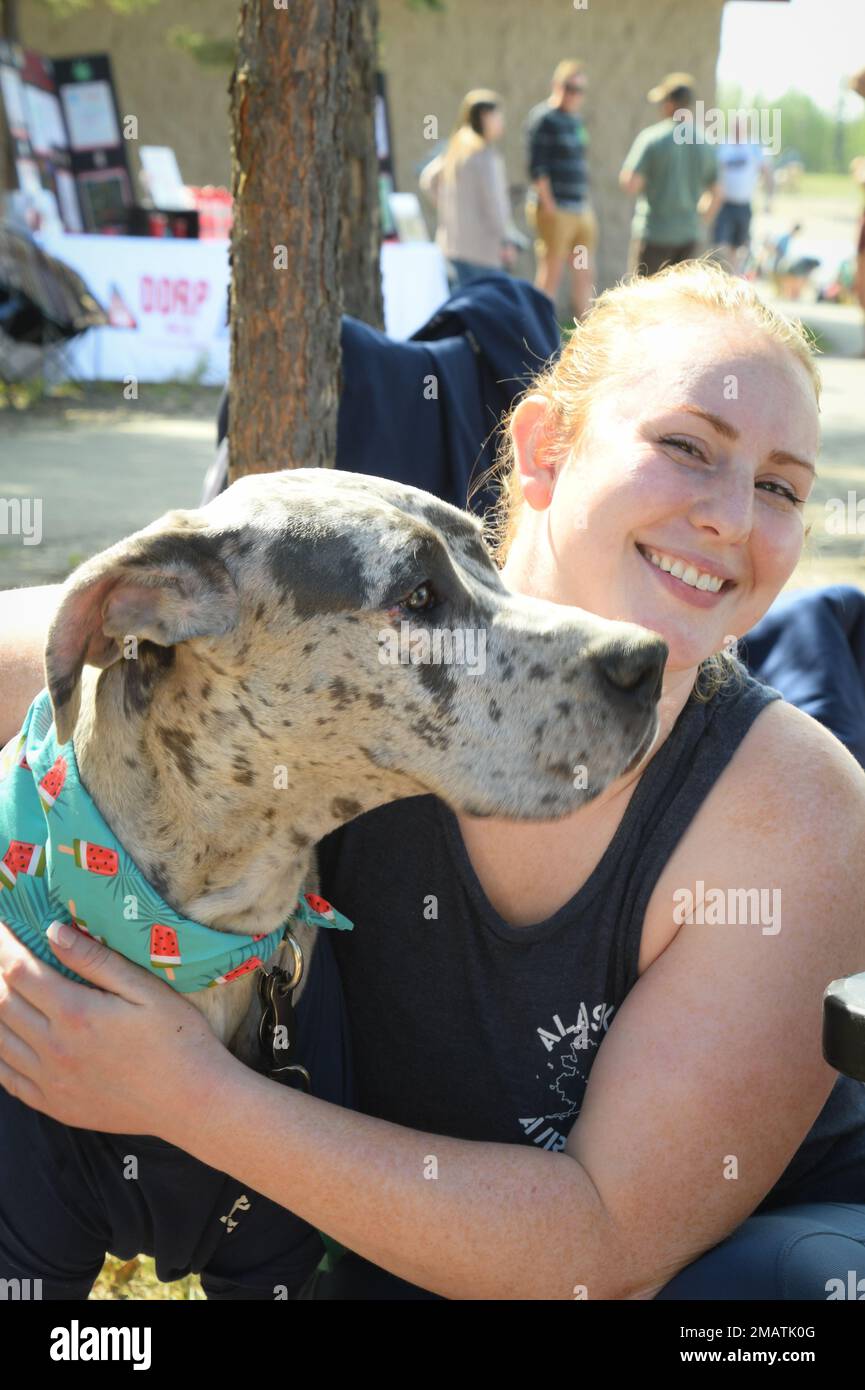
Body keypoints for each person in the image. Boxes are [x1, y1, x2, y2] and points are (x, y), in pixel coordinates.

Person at [1, 262, 865, 1302]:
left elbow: (604, 1247)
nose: (731, 514)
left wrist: (184, 1092)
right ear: (544, 448)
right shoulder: (327, 645)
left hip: (696, 1264)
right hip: (392, 1242)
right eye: (686, 446)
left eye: (780, 486)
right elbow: (68, 636)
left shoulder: (800, 814)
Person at [418, 89, 523, 290]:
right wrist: (507, 240)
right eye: (497, 116)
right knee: (486, 312)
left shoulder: (456, 149)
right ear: (484, 117)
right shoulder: (484, 156)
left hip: (452, 246)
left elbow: (428, 180)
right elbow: (495, 206)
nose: (502, 123)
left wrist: (452, 211)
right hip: (482, 251)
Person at [619, 72, 720, 277]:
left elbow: (630, 183)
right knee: (678, 301)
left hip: (654, 234)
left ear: (670, 104)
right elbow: (717, 193)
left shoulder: (652, 138)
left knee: (643, 299)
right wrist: (698, 219)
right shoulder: (705, 142)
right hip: (689, 236)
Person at [524, 59, 597, 320]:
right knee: (551, 273)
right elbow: (537, 168)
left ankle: (586, 335)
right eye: (569, 88)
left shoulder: (575, 121)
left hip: (579, 207)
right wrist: (549, 204)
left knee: (584, 272)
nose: (574, 95)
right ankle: (536, 334)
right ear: (557, 85)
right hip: (556, 210)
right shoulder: (544, 118)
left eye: (579, 90)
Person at [711, 116, 767, 274]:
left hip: (744, 203)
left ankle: (734, 273)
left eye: (740, 127)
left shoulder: (753, 147)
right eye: (734, 127)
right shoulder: (723, 146)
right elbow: (715, 173)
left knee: (740, 243)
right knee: (720, 241)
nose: (737, 130)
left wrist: (765, 194)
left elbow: (765, 170)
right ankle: (727, 270)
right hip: (725, 202)